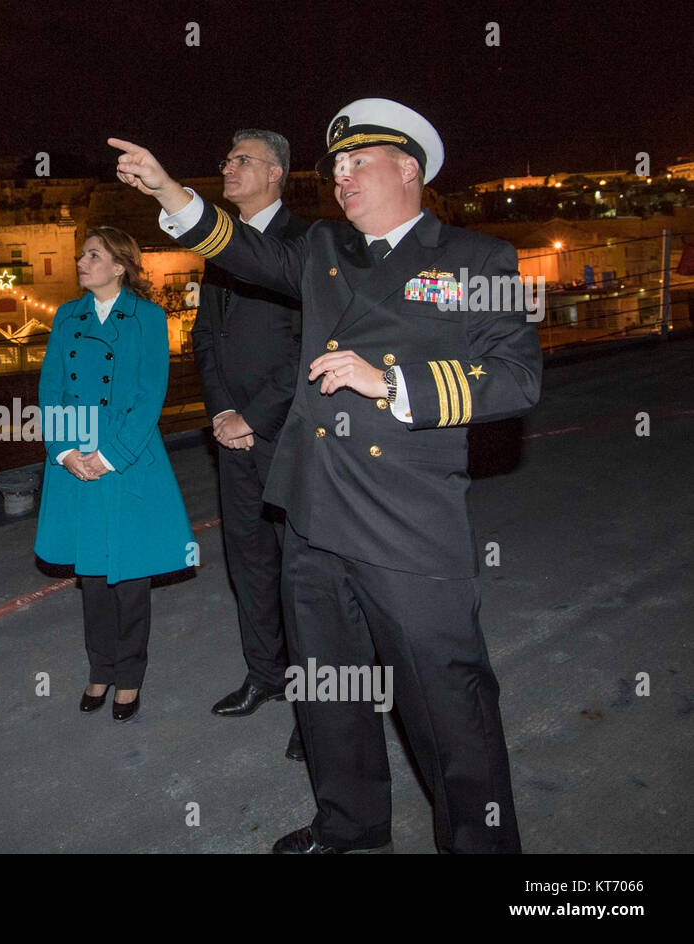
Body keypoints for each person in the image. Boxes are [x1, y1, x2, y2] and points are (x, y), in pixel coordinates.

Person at [112, 97, 541, 853]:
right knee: (330, 689)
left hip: (405, 524)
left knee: (448, 706)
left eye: (358, 164)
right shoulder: (321, 252)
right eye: (335, 168)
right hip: (313, 513)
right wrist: (167, 191)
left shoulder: (476, 260)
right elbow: (239, 249)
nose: (342, 179)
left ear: (409, 170)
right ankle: (352, 822)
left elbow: (514, 379)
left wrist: (391, 379)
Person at [34, 226, 195, 723]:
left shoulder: (148, 317)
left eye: (93, 255)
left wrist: (108, 456)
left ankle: (129, 676)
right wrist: (64, 453)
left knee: (131, 580)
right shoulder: (66, 316)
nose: (82, 261)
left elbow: (151, 395)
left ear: (120, 266)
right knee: (93, 578)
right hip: (75, 465)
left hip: (128, 462)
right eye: (82, 254)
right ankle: (99, 669)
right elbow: (51, 389)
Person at [193, 130, 308, 761]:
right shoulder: (220, 251)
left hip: (286, 438)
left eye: (240, 160)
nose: (227, 168)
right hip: (230, 435)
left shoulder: (304, 243)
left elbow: (307, 346)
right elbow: (204, 339)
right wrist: (222, 411)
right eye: (227, 157)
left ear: (275, 173)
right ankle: (266, 675)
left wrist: (254, 417)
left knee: (301, 569)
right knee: (248, 559)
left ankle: (313, 706)